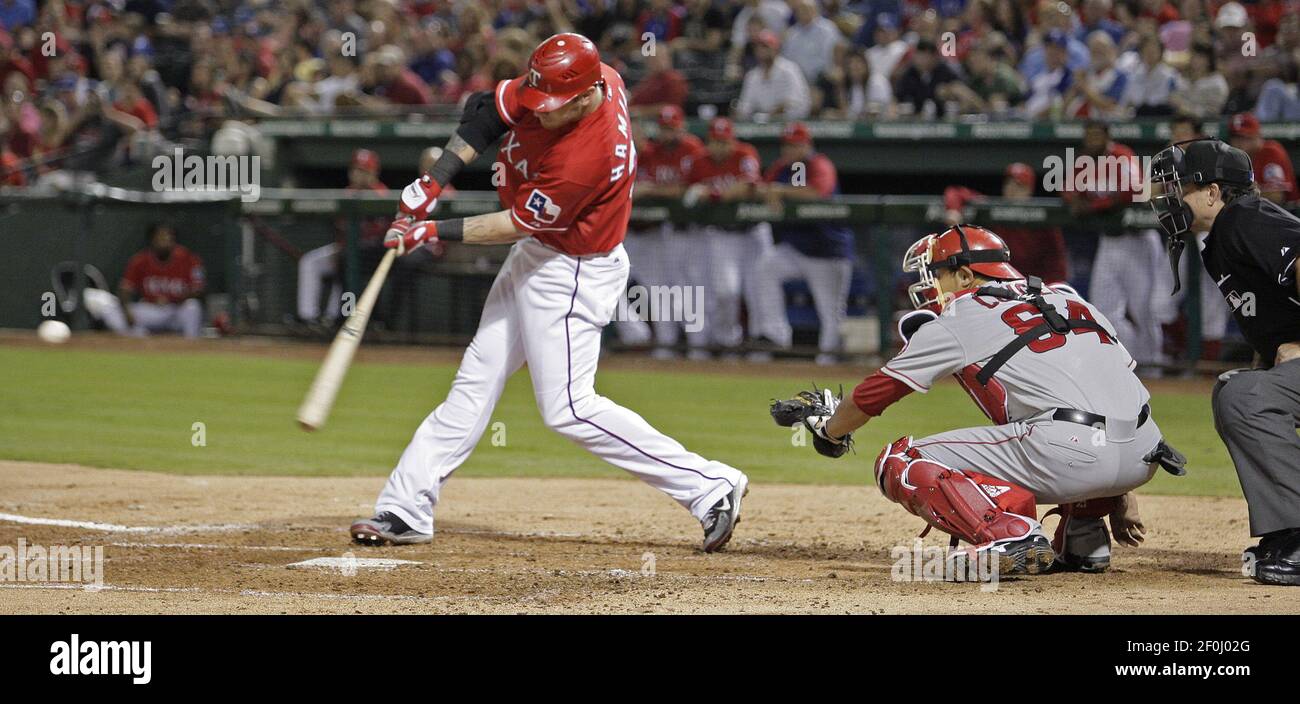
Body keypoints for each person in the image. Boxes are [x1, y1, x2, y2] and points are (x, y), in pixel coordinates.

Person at [349, 34, 749, 552]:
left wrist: (429, 231)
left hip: (572, 269)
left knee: (568, 408)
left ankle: (709, 485)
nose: (541, 112)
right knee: (475, 381)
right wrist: (433, 182)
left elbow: (516, 223)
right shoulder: (590, 76)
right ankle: (407, 507)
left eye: (554, 107)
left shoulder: (590, 151)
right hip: (540, 255)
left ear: (585, 99)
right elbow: (488, 112)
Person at [782, 225, 1175, 576]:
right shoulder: (1067, 297)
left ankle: (1012, 534)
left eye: (937, 274)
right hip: (1144, 453)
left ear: (966, 274)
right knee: (1056, 418)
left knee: (901, 461)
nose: (930, 285)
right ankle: (1085, 537)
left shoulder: (963, 313)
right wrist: (1121, 489)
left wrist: (830, 430)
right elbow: (1112, 390)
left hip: (1074, 454)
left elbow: (878, 391)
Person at [1150, 138, 1300, 586]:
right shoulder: (1225, 236)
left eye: (1182, 188)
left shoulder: (1244, 218)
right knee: (1245, 387)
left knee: (1244, 396)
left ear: (1214, 193)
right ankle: (1287, 530)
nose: (1170, 199)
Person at [749, 122, 855, 365]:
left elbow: (818, 192)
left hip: (828, 252)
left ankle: (828, 366)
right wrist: (767, 190)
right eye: (785, 145)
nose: (788, 150)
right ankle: (775, 335)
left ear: (807, 145)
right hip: (795, 249)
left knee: (831, 315)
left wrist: (780, 191)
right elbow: (762, 187)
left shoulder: (819, 163)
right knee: (765, 268)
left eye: (794, 145)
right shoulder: (782, 168)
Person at [1064, 120, 1165, 372]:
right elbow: (1067, 188)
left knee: (1144, 309)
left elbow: (1134, 189)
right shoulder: (1083, 161)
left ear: (1107, 137)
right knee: (1104, 308)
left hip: (1137, 240)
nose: (1093, 140)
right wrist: (1074, 199)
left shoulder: (1121, 155)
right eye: (1089, 135)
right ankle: (1129, 363)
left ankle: (1153, 367)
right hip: (1109, 242)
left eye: (1098, 135)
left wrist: (1096, 206)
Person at [622, 105, 706, 358]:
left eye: (672, 128)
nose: (667, 133)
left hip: (696, 232)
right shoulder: (652, 151)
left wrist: (651, 190)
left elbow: (687, 187)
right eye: (663, 128)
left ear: (681, 126)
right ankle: (669, 345)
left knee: (695, 292)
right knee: (665, 291)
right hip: (664, 234)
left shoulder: (692, 149)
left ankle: (700, 348)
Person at [683, 117, 765, 358]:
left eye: (724, 141)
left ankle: (763, 348)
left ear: (732, 140)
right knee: (726, 291)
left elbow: (748, 186)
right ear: (709, 142)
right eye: (716, 142)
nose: (720, 147)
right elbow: (684, 191)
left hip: (753, 233)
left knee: (757, 291)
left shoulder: (745, 153)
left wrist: (713, 194)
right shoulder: (699, 162)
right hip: (721, 234)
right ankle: (728, 342)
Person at [297, 149, 389, 325]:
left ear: (373, 172)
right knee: (310, 261)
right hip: (346, 250)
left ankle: (336, 316)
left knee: (346, 262)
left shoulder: (382, 195)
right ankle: (308, 317)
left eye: (363, 170)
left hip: (373, 255)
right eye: (355, 169)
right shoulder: (347, 194)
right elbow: (340, 231)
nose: (357, 174)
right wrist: (340, 250)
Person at [942, 163, 1068, 284]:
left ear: (1029, 190)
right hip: (998, 282)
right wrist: (953, 210)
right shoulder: (993, 208)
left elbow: (1057, 268)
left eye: (1019, 185)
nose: (1012, 189)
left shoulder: (1043, 220)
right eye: (1009, 183)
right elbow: (955, 192)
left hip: (1033, 285)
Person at [100, 223, 206, 338]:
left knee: (192, 306)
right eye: (160, 238)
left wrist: (173, 299)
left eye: (168, 238)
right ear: (152, 240)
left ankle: (191, 344)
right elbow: (125, 290)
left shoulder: (188, 258)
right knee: (109, 310)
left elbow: (198, 290)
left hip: (176, 310)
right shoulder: (140, 260)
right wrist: (127, 312)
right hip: (151, 309)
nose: (165, 241)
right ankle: (140, 338)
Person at [734, 30, 811, 120]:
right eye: (758, 47)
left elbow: (797, 104)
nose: (761, 50)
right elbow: (745, 107)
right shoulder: (752, 75)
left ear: (775, 49)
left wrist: (774, 111)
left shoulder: (789, 70)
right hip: (761, 126)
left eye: (765, 46)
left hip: (789, 124)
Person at [1227, 112, 1299, 205]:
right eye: (1235, 137)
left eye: (1244, 137)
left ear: (1257, 136)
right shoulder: (1236, 159)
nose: (1238, 143)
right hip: (1257, 214)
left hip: (1287, 213)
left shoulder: (1270, 151)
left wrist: (1240, 195)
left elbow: (1276, 197)